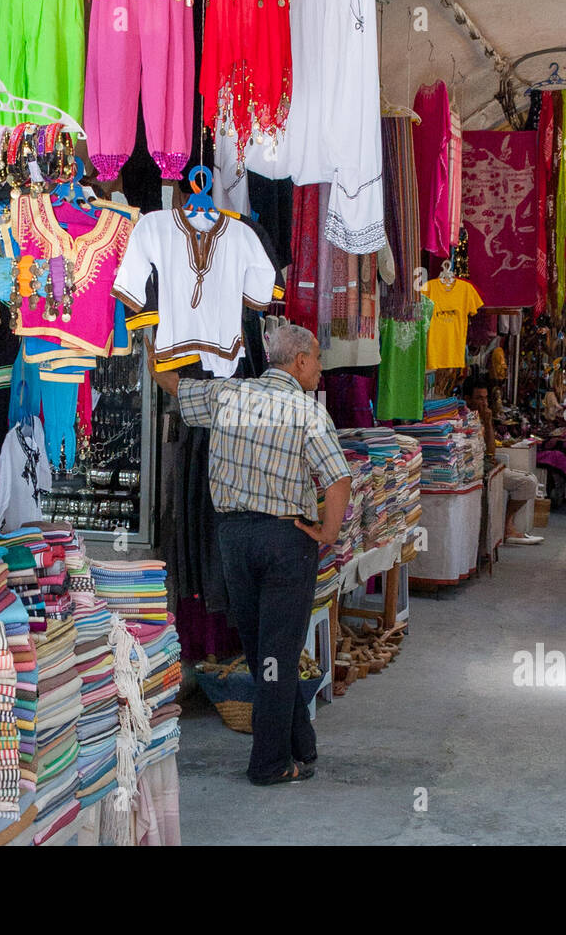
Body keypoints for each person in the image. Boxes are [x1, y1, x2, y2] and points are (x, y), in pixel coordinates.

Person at [146, 325, 352, 787]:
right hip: (285, 540)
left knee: (265, 649)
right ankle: (270, 763)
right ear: (298, 360)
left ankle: (302, 742)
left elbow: (173, 384)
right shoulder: (307, 411)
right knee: (276, 651)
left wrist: (148, 338)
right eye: (317, 358)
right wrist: (328, 533)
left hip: (234, 539)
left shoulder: (227, 396)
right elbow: (339, 481)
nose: (321, 368)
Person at [468, 378, 543, 547]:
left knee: (529, 481)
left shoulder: (482, 418)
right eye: (479, 398)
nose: (484, 402)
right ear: (468, 399)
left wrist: (487, 422)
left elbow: (491, 451)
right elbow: (490, 452)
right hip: (476, 470)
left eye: (486, 398)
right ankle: (507, 528)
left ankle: (508, 525)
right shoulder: (464, 420)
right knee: (526, 482)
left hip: (487, 466)